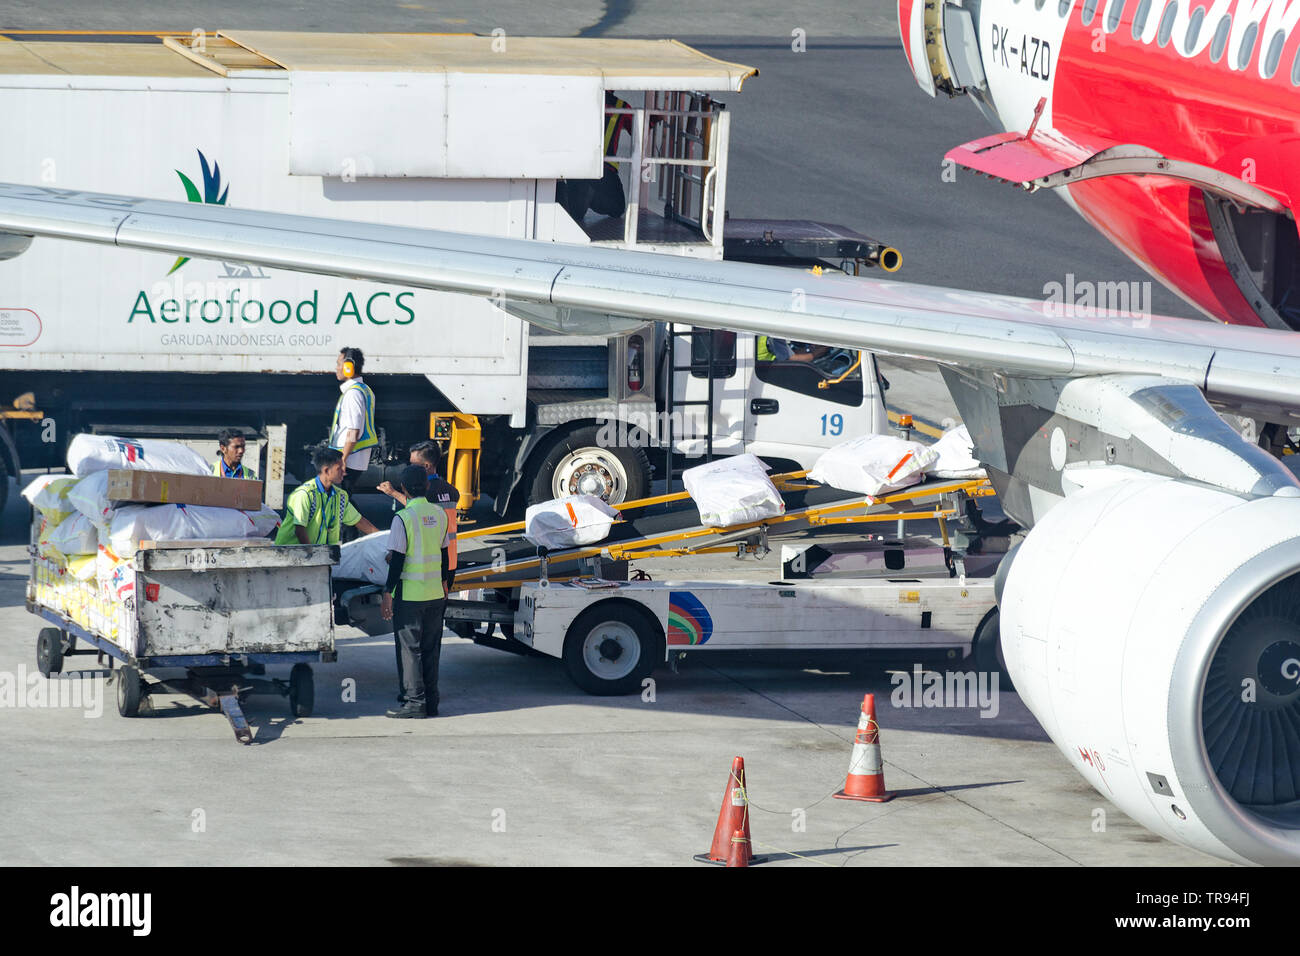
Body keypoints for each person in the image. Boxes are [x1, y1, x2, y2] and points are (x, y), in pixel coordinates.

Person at [380, 465, 455, 718]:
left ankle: (414, 703)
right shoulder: (440, 514)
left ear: (403, 489)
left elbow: (398, 560)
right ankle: (431, 703)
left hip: (410, 596)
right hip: (435, 594)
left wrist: (387, 592)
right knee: (431, 649)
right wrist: (445, 584)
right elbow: (444, 554)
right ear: (426, 487)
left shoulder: (403, 518)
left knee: (409, 650)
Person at [377, 440, 459, 572]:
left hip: (431, 562)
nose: (409, 467)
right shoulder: (452, 491)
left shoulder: (427, 492)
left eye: (413, 464)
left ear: (426, 466)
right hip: (449, 561)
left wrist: (393, 493)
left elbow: (417, 508)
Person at [275, 446, 379, 545]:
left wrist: (383, 538)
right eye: (339, 468)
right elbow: (299, 530)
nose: (344, 472)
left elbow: (359, 521)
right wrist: (313, 555)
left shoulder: (340, 496)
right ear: (326, 470)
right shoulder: (305, 494)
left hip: (318, 554)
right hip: (289, 554)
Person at [330, 347, 378, 494]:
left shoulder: (353, 394)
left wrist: (342, 460)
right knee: (344, 499)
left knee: (342, 500)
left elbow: (353, 431)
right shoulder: (365, 389)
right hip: (355, 456)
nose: (336, 368)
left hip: (349, 456)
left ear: (349, 367)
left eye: (339, 364)